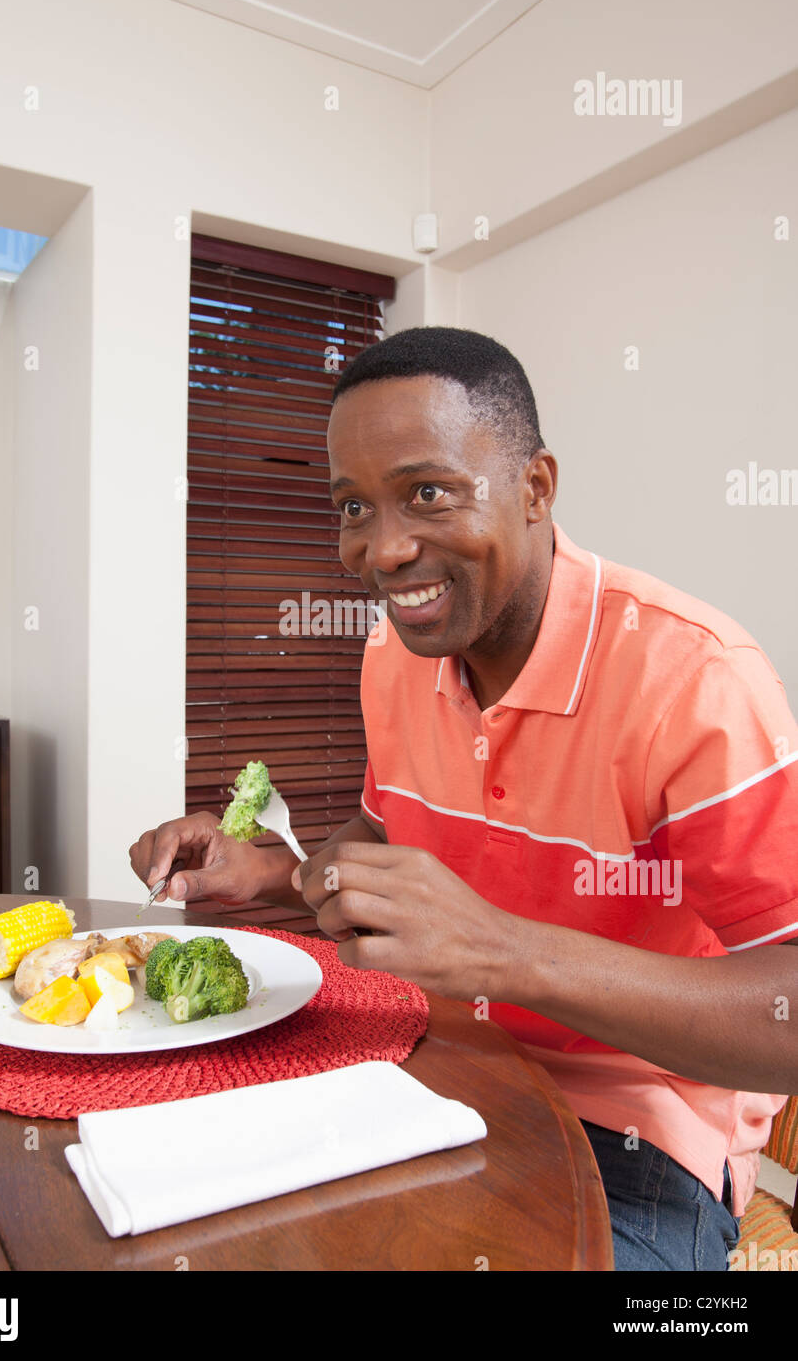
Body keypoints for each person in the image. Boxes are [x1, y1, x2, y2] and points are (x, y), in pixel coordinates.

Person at [130, 326, 798, 1271]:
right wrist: (275, 876)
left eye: (427, 493)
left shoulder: (693, 680)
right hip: (421, 1062)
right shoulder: (393, 656)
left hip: (633, 1135)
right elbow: (385, 834)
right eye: (353, 506)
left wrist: (503, 951)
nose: (382, 548)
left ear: (534, 489)